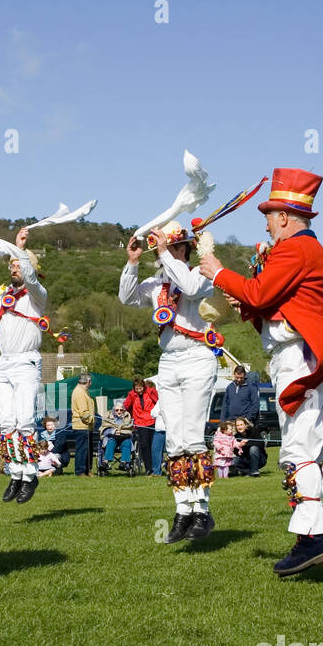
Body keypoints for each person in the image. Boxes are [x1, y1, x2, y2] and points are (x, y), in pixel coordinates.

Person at [199, 168, 323, 574]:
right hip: (300, 350)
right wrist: (236, 288)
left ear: (283, 217)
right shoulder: (303, 249)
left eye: (268, 214)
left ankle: (312, 538)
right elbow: (266, 302)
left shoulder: (295, 249)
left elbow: (260, 293)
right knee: (305, 445)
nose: (265, 222)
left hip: (298, 354)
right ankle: (310, 534)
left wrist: (218, 273)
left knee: (298, 446)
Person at [123, 222, 220, 542]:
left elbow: (189, 289)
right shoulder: (155, 284)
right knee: (174, 439)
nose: (173, 252)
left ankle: (202, 511)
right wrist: (133, 262)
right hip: (168, 363)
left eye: (178, 248)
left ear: (186, 250)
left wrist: (166, 254)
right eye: (168, 247)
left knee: (193, 437)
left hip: (197, 358)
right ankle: (182, 510)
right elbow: (126, 297)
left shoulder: (200, 275)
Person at [0, 226, 49, 503]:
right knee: (6, 423)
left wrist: (21, 249)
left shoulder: (38, 296)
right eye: (11, 264)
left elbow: (30, 278)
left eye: (19, 265)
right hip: (3, 363)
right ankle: (15, 473)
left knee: (25, 420)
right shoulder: (3, 295)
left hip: (26, 361)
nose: (14, 268)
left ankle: (30, 474)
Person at [123, 377, 157, 475]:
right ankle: (148, 469)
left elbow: (158, 401)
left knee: (153, 446)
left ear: (143, 386)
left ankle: (155, 468)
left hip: (152, 421)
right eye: (137, 389)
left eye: (140, 388)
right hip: (140, 423)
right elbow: (126, 406)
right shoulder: (132, 395)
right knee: (145, 446)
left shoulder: (150, 392)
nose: (139, 391)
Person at [70, 373, 96, 476]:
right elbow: (83, 412)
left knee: (88, 450)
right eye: (90, 382)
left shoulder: (84, 391)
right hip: (81, 426)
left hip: (87, 426)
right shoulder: (79, 392)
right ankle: (80, 471)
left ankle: (87, 470)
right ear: (88, 381)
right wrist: (90, 420)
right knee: (82, 449)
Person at [99, 404, 134, 475]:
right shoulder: (109, 418)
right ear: (114, 411)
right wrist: (114, 431)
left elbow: (129, 429)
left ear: (124, 411)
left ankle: (123, 463)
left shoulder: (127, 417)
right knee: (111, 441)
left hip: (124, 438)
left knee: (127, 442)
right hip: (112, 438)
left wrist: (121, 432)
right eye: (117, 410)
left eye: (121, 410)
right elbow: (104, 429)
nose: (119, 412)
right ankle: (105, 462)